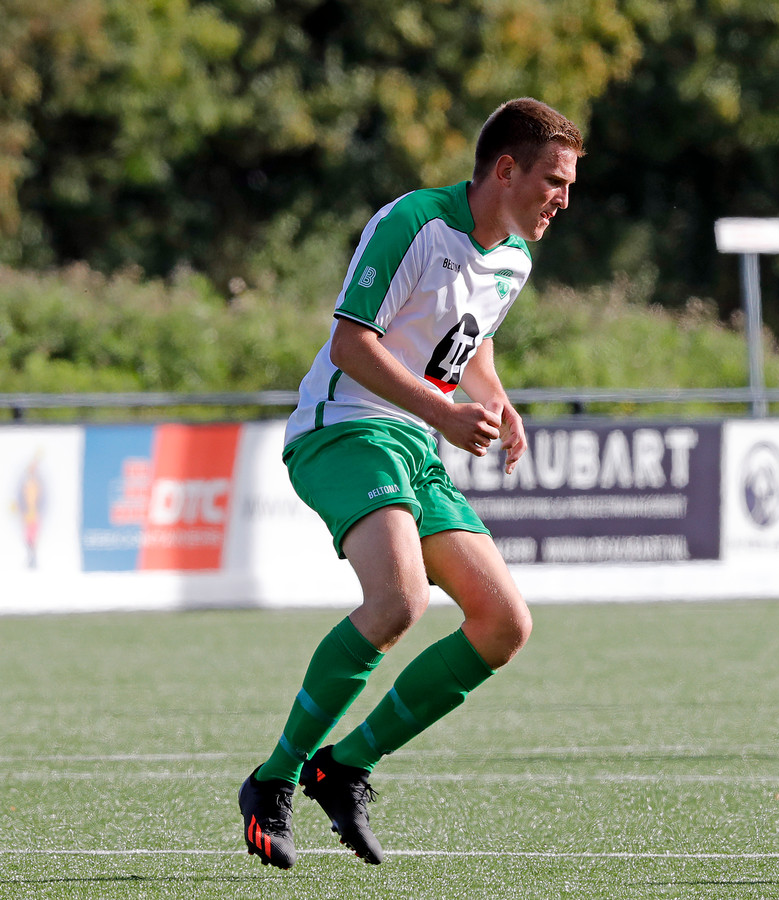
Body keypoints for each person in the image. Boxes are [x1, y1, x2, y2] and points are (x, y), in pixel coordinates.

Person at [238, 98, 584, 868]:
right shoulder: (415, 225)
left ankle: (345, 765)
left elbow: (472, 341)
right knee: (399, 601)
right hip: (343, 428)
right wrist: (444, 411)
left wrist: (496, 400)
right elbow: (352, 344)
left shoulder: (518, 257)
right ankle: (275, 778)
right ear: (505, 169)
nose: (564, 198)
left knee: (503, 624)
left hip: (412, 442)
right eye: (554, 181)